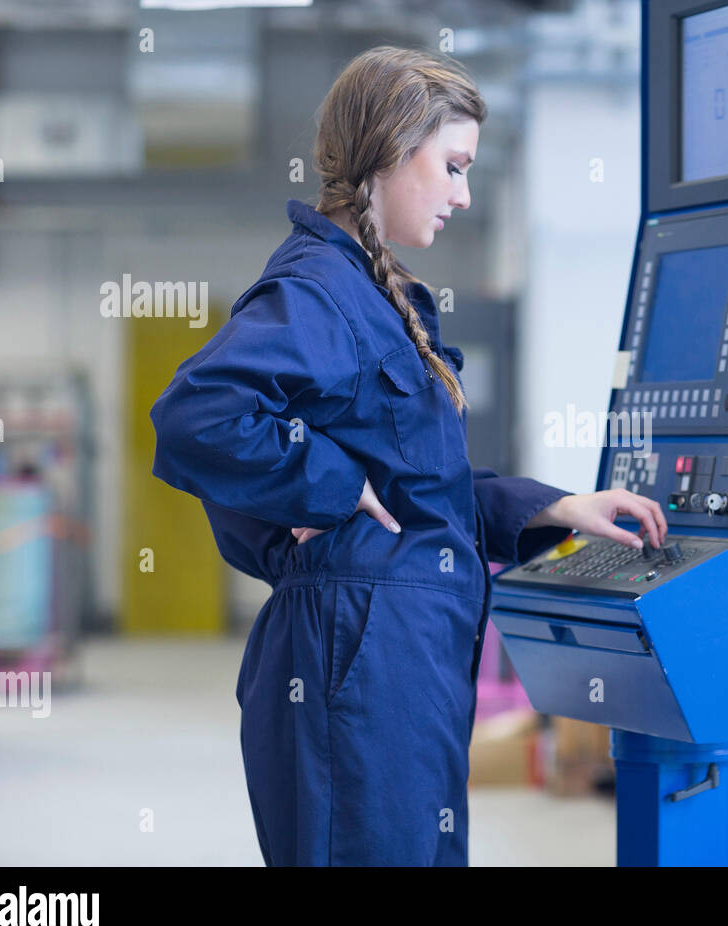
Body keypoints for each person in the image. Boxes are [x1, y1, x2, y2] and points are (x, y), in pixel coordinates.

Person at [149, 46, 666, 866]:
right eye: (453, 166)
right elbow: (195, 418)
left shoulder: (378, 296)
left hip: (398, 662)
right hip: (358, 668)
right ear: (392, 150)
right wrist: (330, 484)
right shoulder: (318, 291)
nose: (464, 194)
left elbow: (419, 488)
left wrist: (557, 509)